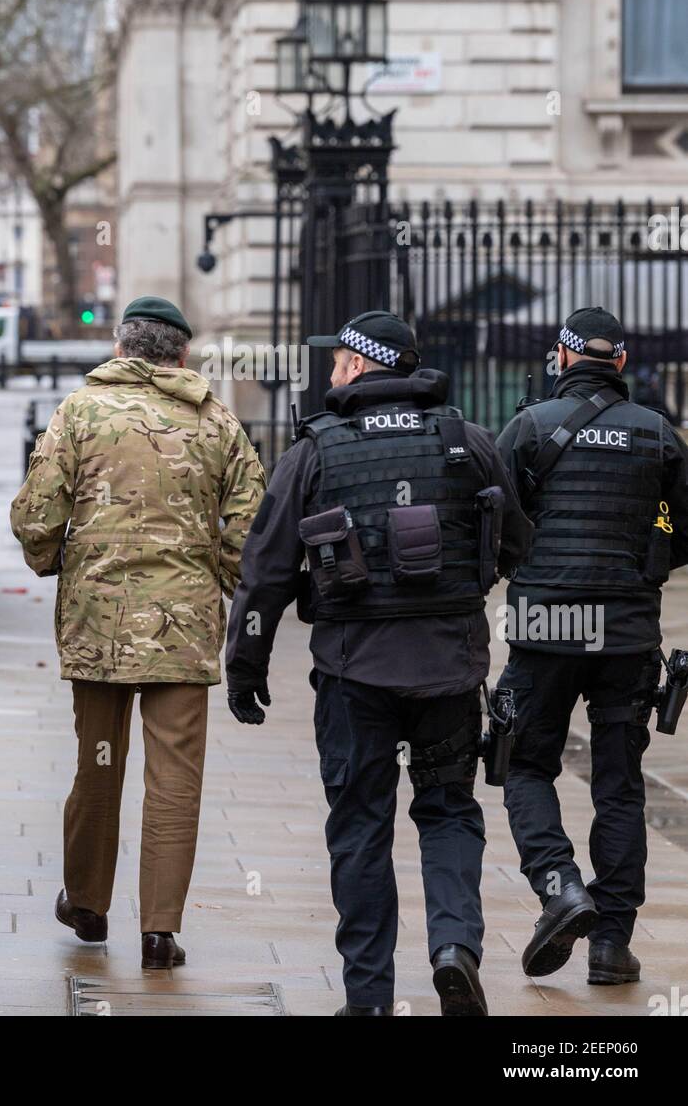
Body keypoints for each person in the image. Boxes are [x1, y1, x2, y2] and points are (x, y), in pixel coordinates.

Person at [224, 310, 532, 1016]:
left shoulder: (316, 451)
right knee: (450, 811)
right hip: (450, 670)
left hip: (352, 675)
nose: (331, 370)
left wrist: (246, 665)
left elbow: (265, 573)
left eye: (337, 360)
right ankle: (454, 948)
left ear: (360, 365)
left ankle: (367, 999)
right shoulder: (469, 443)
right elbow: (516, 543)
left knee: (360, 826)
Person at [10, 297, 265, 968]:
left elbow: (38, 513)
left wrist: (52, 561)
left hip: (99, 623)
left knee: (98, 764)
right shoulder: (216, 422)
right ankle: (159, 932)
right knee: (175, 776)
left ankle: (88, 904)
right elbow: (249, 534)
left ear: (123, 347)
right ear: (181, 354)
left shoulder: (81, 411)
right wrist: (226, 583)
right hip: (183, 626)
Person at [496, 306, 688, 986]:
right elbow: (683, 529)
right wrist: (641, 566)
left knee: (523, 766)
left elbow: (497, 527)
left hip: (546, 627)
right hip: (627, 635)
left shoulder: (528, 427)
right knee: (618, 786)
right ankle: (611, 945)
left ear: (561, 357)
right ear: (623, 364)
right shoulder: (658, 434)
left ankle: (559, 888)